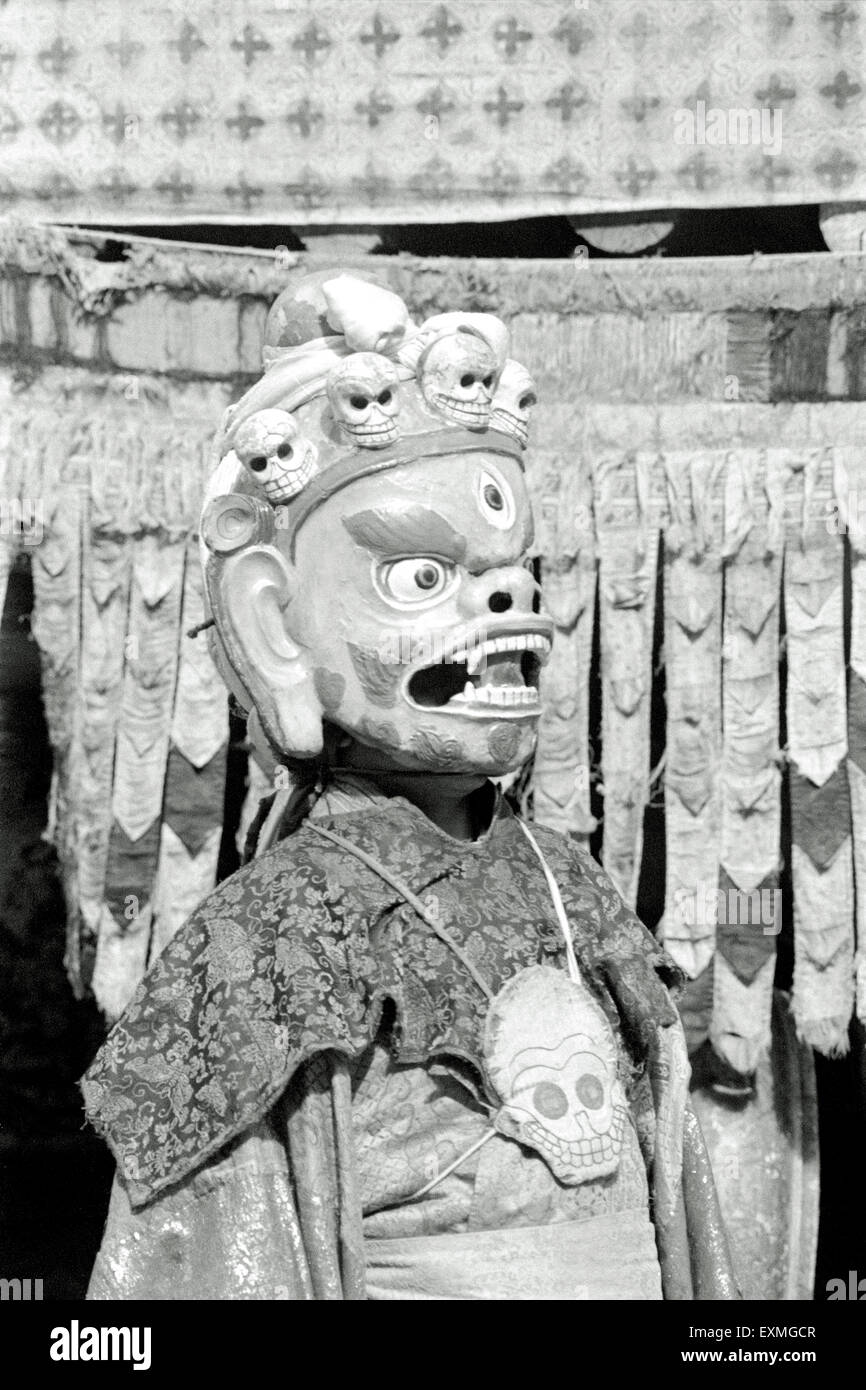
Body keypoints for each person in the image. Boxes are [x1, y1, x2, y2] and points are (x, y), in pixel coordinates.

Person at [82, 271, 738, 1300]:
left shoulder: (566, 880)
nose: (507, 602)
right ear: (273, 625)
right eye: (422, 578)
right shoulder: (270, 933)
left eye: (516, 570)